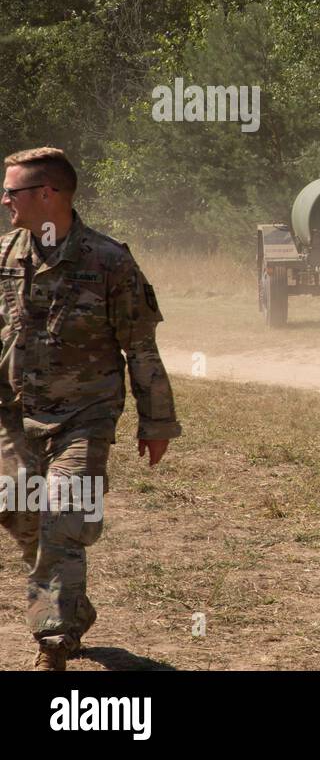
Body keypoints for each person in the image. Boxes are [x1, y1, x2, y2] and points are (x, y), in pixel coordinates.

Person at [0, 147, 181, 670]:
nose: (4, 199)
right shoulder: (5, 255)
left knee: (62, 515)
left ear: (47, 195)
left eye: (12, 191)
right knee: (18, 509)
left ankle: (55, 641)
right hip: (15, 414)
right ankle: (72, 599)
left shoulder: (109, 261)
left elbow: (140, 348)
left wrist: (158, 420)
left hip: (84, 417)